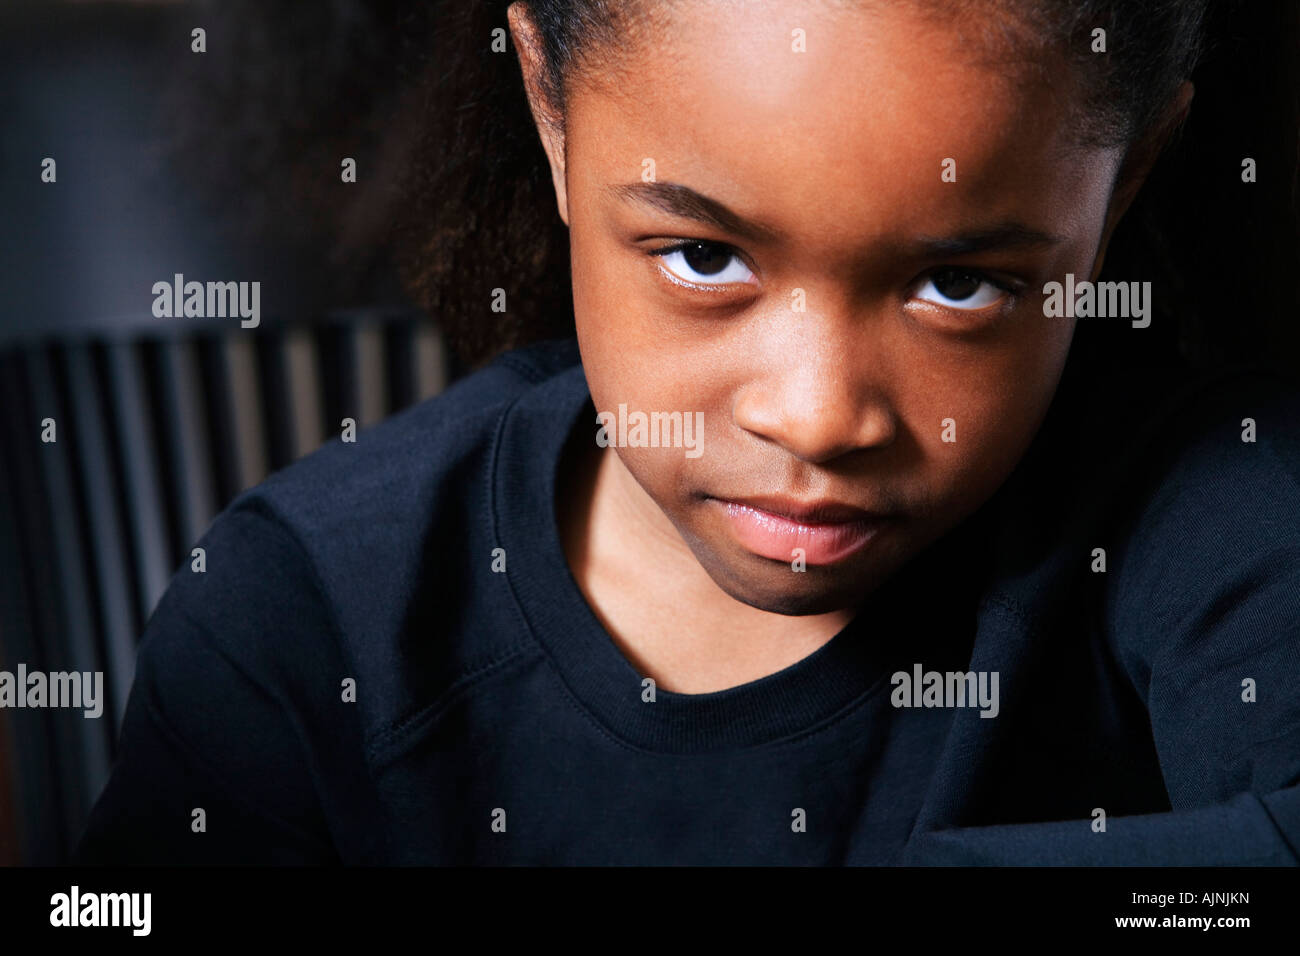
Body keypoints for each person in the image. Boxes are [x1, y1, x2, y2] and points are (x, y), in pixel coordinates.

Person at [76, 0, 1300, 864]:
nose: (817, 416)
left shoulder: (1205, 506)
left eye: (961, 286)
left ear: (1123, 179)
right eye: (704, 257)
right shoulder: (302, 614)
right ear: (552, 110)